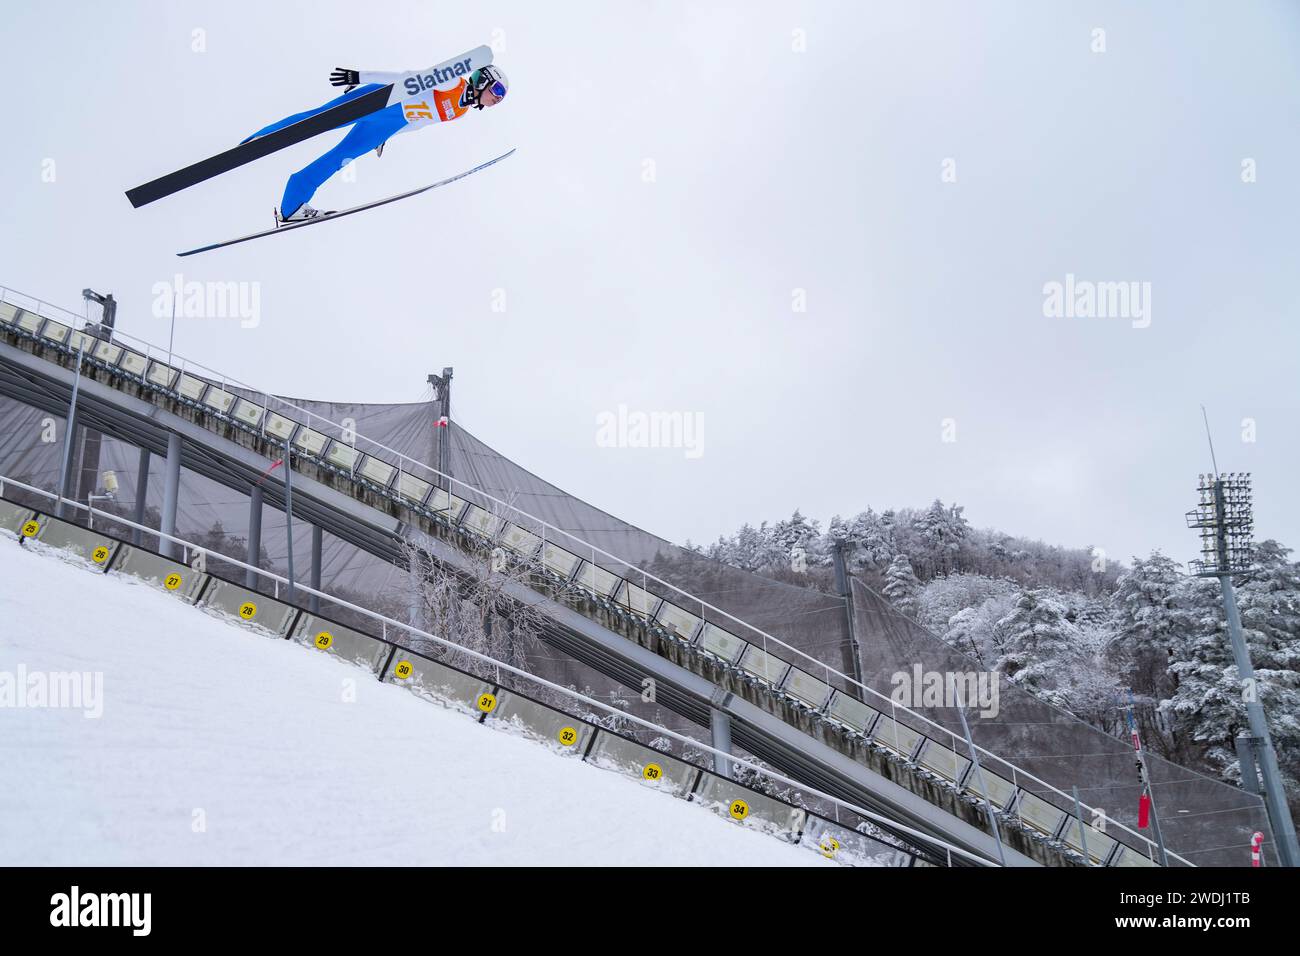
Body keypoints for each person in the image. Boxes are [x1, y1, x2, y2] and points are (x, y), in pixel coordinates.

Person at [242, 63, 509, 223]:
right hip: (382, 101)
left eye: (502, 97)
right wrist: (361, 76)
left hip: (390, 124)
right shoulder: (454, 82)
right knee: (317, 120)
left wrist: (387, 136)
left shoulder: (459, 111)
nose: (497, 98)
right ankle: (263, 136)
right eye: (497, 90)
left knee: (340, 158)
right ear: (484, 80)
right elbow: (407, 77)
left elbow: (418, 121)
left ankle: (292, 205)